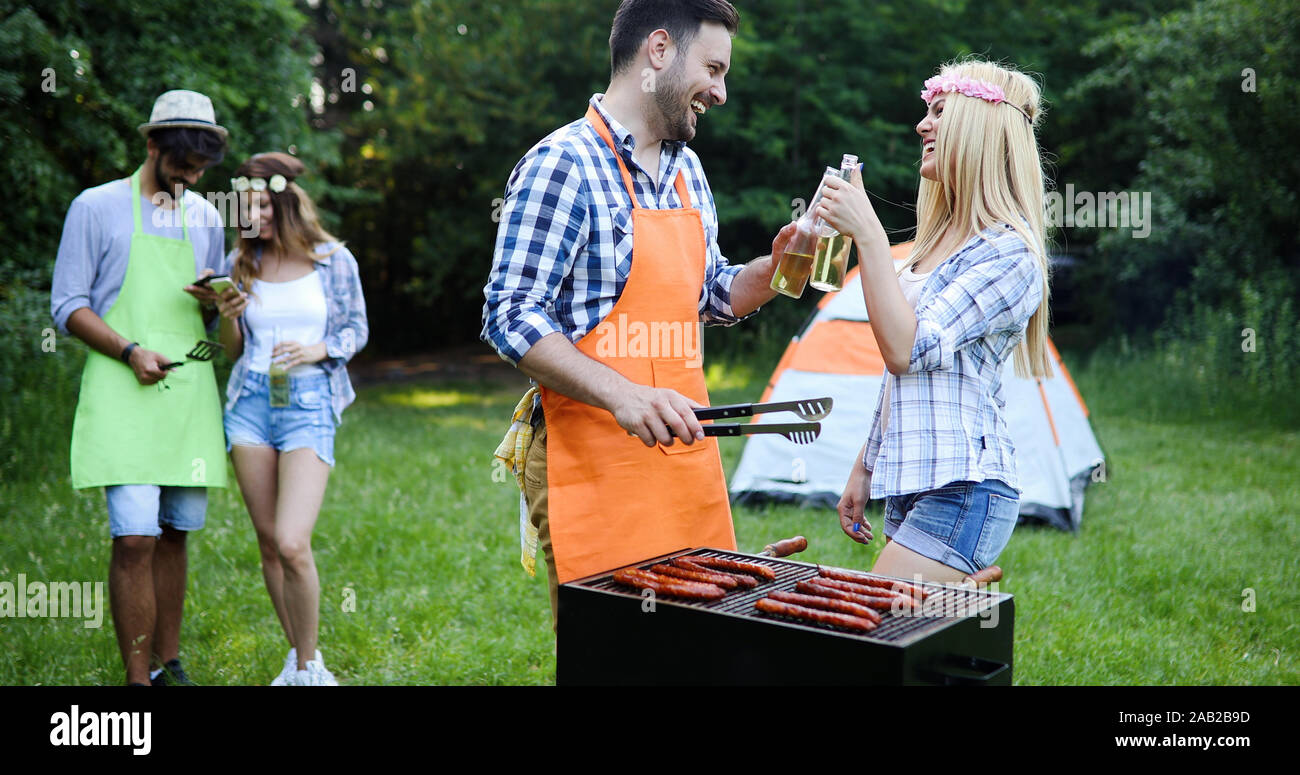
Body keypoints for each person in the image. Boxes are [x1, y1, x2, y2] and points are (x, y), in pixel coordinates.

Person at [482, 0, 798, 627]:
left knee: (697, 647)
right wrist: (624, 396)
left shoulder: (688, 170)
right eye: (713, 68)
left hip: (683, 453)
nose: (721, 91)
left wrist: (775, 269)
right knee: (615, 652)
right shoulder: (562, 164)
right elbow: (510, 315)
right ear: (659, 51)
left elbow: (710, 293)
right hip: (590, 459)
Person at [818, 59, 1052, 584]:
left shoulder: (1008, 254)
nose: (922, 125)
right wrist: (865, 466)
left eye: (940, 112)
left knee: (875, 627)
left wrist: (869, 236)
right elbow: (900, 376)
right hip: (914, 482)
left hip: (966, 489)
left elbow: (906, 347)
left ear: (981, 128)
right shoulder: (935, 247)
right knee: (913, 647)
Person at [51, 89, 230, 685]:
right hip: (121, 385)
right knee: (134, 538)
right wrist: (129, 351)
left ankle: (168, 663)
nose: (187, 181)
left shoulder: (205, 216)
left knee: (176, 533)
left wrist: (218, 306)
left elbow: (206, 323)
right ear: (151, 145)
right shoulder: (96, 207)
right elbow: (68, 304)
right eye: (180, 169)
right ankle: (136, 678)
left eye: (199, 172)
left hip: (187, 395)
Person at [213, 152, 368, 685]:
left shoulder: (332, 260)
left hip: (307, 404)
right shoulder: (241, 264)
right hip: (250, 405)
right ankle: (297, 658)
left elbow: (356, 331)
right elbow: (232, 351)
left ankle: (310, 666)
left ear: (285, 205)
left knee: (292, 542)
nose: (251, 216)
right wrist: (227, 319)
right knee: (267, 542)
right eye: (244, 207)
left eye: (261, 205)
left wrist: (316, 350)